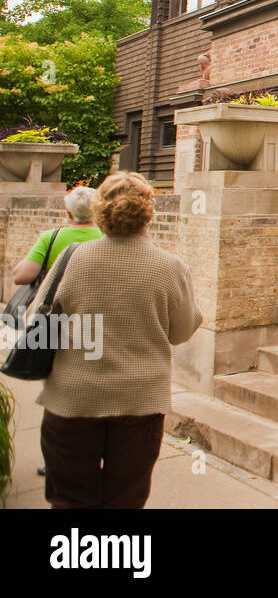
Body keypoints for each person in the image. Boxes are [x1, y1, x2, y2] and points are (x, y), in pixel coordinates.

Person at [36, 171, 203, 509]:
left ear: (100, 213)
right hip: (140, 402)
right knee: (125, 498)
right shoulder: (171, 267)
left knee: (69, 498)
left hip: (72, 398)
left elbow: (38, 324)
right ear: (149, 214)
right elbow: (182, 332)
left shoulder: (72, 259)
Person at [9, 186, 103, 287]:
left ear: (69, 212)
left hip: (55, 300)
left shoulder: (50, 238)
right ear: (96, 210)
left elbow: (21, 276)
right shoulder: (106, 237)